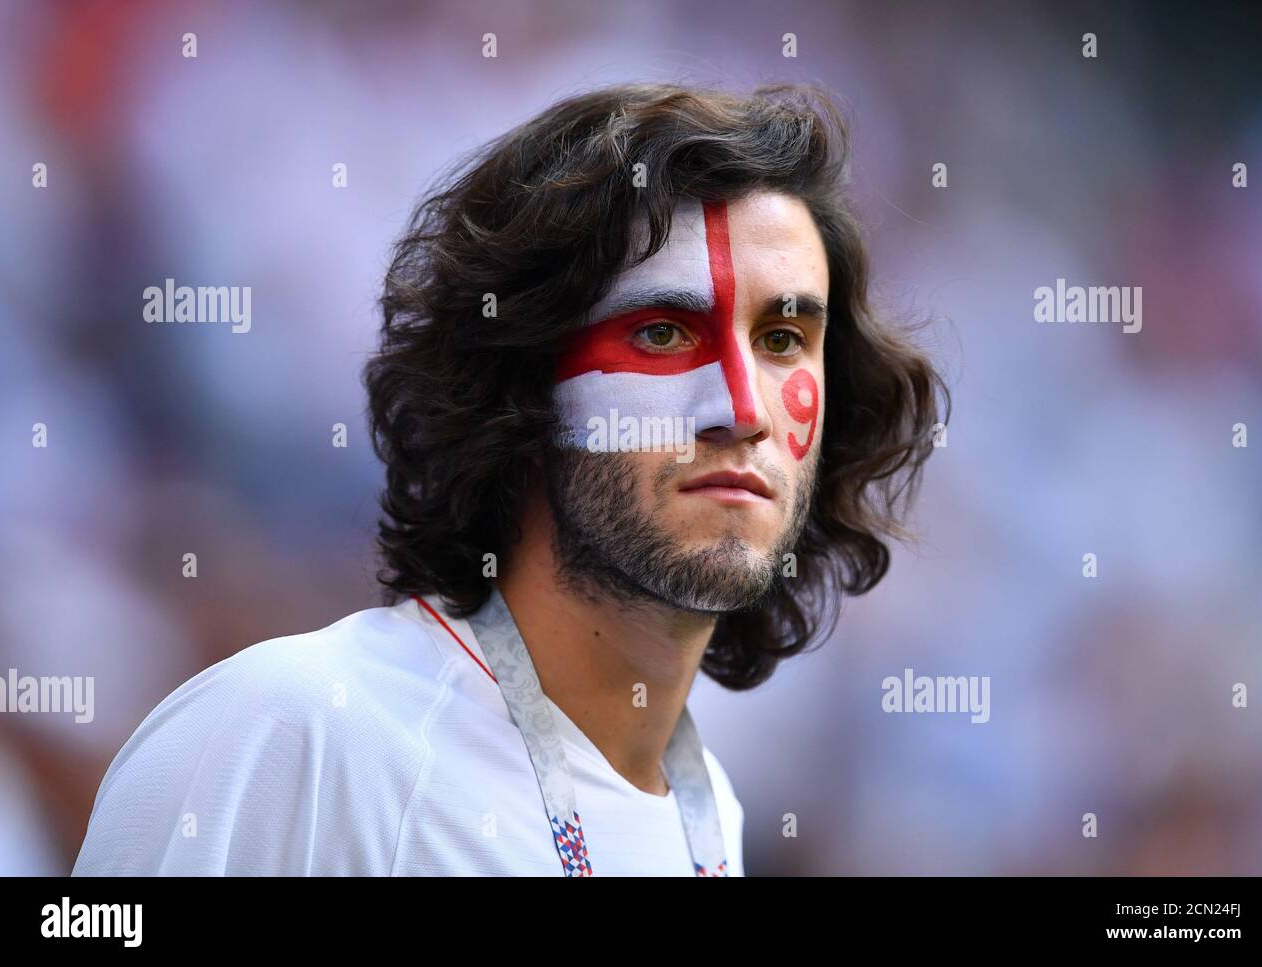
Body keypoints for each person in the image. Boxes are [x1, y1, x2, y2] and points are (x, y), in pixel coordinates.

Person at [72, 81, 948, 876]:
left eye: (784, 339)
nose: (743, 407)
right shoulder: (291, 731)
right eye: (660, 334)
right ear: (520, 389)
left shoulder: (706, 813)